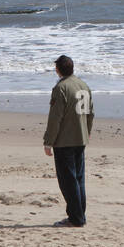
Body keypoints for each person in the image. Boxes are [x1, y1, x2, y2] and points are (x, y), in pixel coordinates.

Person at [43, 54, 94, 228]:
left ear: (58, 70)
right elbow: (90, 113)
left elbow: (55, 118)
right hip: (80, 138)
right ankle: (80, 215)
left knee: (68, 181)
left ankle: (75, 218)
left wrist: (48, 141)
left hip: (64, 140)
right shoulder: (83, 85)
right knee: (79, 179)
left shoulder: (61, 88)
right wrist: (87, 132)